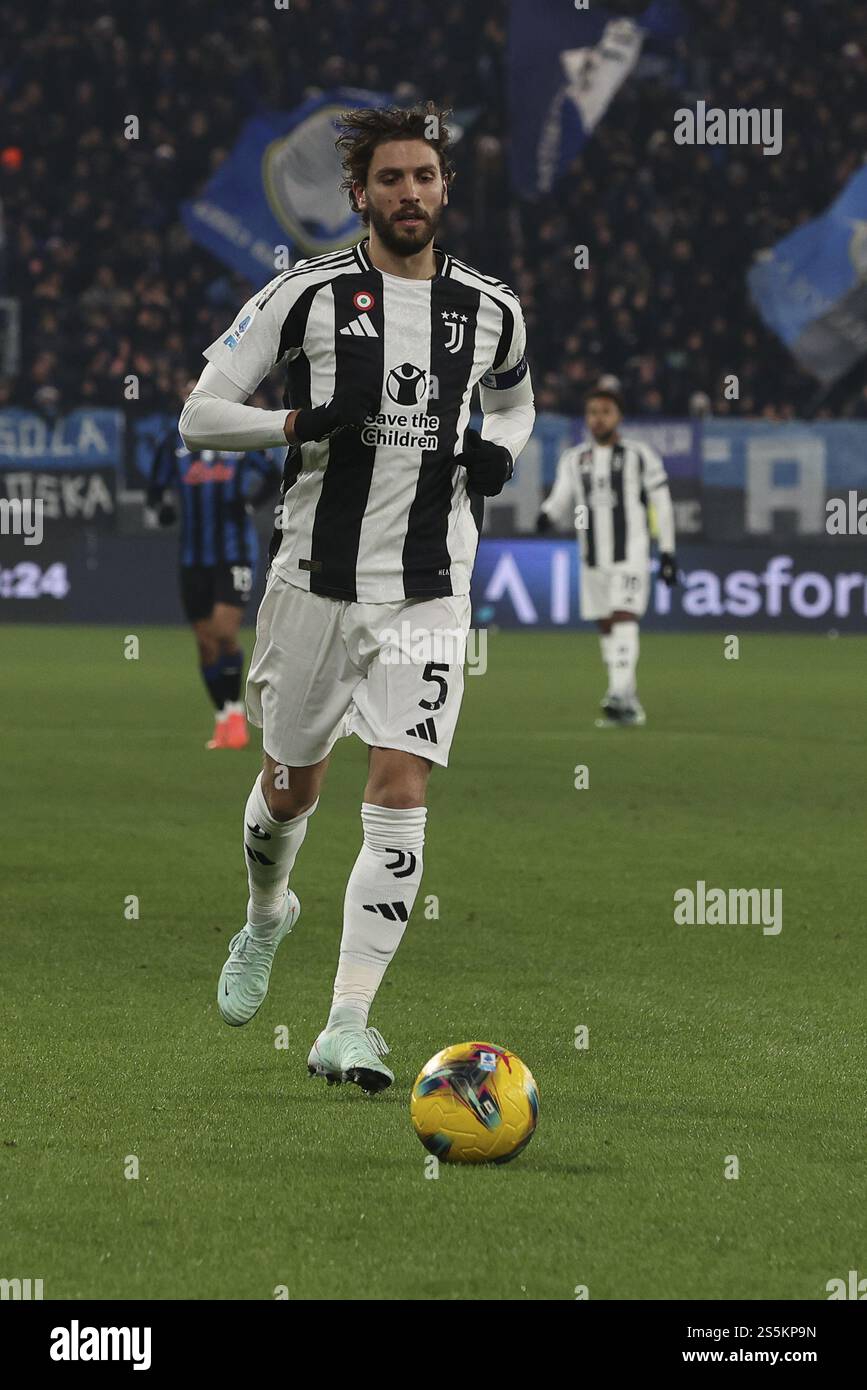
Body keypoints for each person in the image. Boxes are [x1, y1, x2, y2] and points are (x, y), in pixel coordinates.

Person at [178, 102, 535, 1092]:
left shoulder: (493, 307)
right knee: (290, 789)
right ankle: (266, 915)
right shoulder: (304, 294)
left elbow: (515, 396)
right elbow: (199, 413)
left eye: (425, 176)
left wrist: (500, 449)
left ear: (445, 187)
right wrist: (295, 418)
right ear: (359, 193)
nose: (410, 193)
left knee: (402, 788)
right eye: (391, 179)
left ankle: (347, 1023)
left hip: (429, 592)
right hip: (313, 586)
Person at [148, 381, 281, 749]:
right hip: (192, 557)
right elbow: (155, 491)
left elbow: (272, 474)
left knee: (224, 631)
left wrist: (252, 502)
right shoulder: (172, 442)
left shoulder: (238, 438)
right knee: (205, 642)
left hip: (234, 552)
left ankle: (236, 711)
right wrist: (162, 510)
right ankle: (224, 716)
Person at [536, 385, 677, 726]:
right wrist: (546, 516)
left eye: (605, 412)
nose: (597, 419)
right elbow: (561, 498)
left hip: (631, 553)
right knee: (605, 622)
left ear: (619, 416)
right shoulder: (574, 459)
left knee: (623, 615)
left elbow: (662, 503)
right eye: (592, 412)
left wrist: (668, 551)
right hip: (592, 557)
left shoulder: (639, 455)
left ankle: (616, 692)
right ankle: (626, 704)